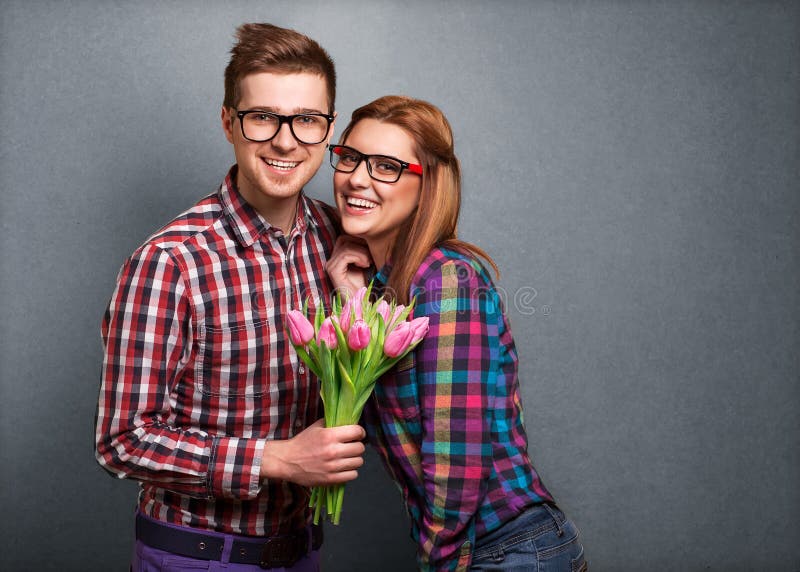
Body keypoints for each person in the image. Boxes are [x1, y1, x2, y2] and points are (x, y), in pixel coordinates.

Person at [95, 23, 367, 572]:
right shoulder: (171, 261)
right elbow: (122, 441)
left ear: (329, 128)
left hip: (302, 553)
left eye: (307, 120)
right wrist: (278, 460)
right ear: (228, 122)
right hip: (198, 556)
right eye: (263, 116)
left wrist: (355, 305)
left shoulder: (337, 239)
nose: (286, 141)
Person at [325, 96, 587, 571]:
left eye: (386, 166)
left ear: (426, 186)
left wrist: (438, 561)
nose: (357, 179)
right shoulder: (388, 290)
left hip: (507, 550)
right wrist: (354, 300)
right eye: (350, 157)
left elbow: (456, 462)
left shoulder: (446, 280)